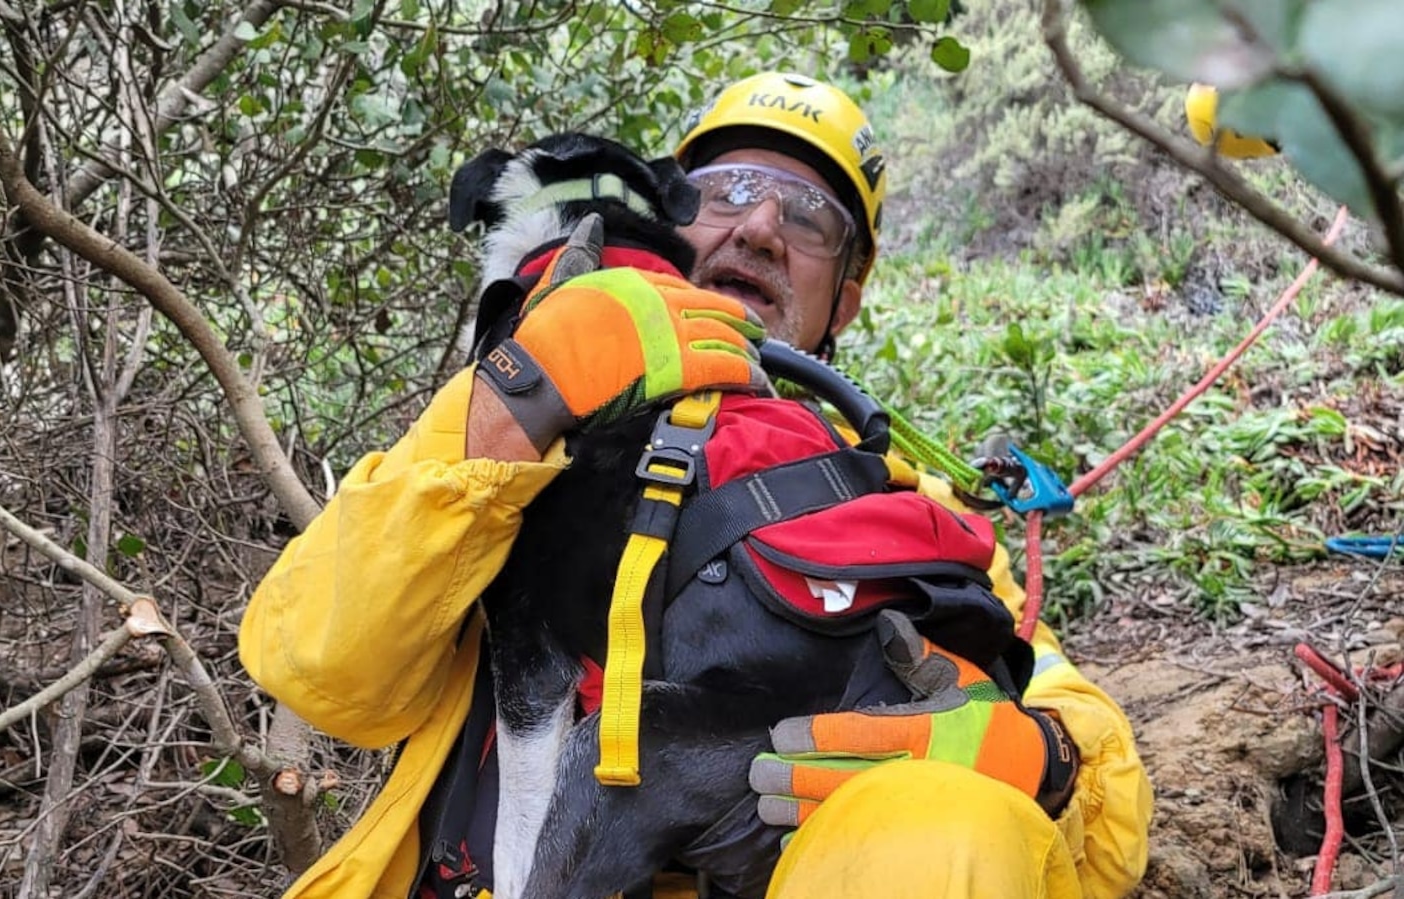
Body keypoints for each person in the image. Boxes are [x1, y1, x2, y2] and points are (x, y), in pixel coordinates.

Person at [240, 71, 1153, 898]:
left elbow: (1106, 822)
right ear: (668, 219)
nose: (758, 227)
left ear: (847, 296)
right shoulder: (527, 405)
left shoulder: (900, 511)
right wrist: (515, 401)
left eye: (808, 217)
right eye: (727, 192)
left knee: (954, 826)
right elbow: (322, 670)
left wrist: (1051, 755)